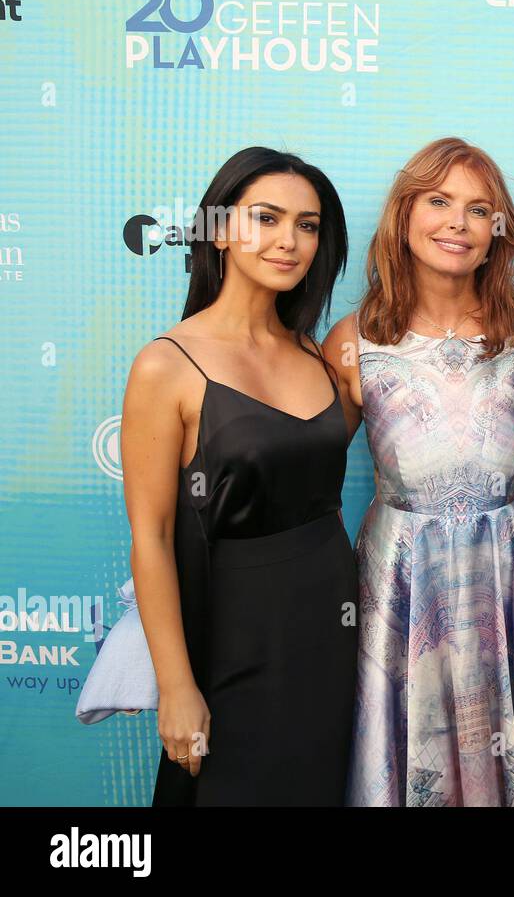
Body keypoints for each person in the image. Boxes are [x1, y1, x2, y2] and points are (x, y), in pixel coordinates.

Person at [324, 138, 514, 807]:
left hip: (511, 578)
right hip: (403, 577)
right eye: (438, 201)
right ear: (403, 216)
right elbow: (305, 477)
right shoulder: (354, 342)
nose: (457, 222)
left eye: (477, 208)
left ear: (497, 232)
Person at [122, 147, 354, 805]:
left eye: (307, 225)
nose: (289, 240)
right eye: (266, 218)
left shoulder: (318, 352)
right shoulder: (165, 365)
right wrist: (176, 685)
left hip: (330, 634)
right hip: (230, 644)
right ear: (219, 229)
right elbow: (152, 535)